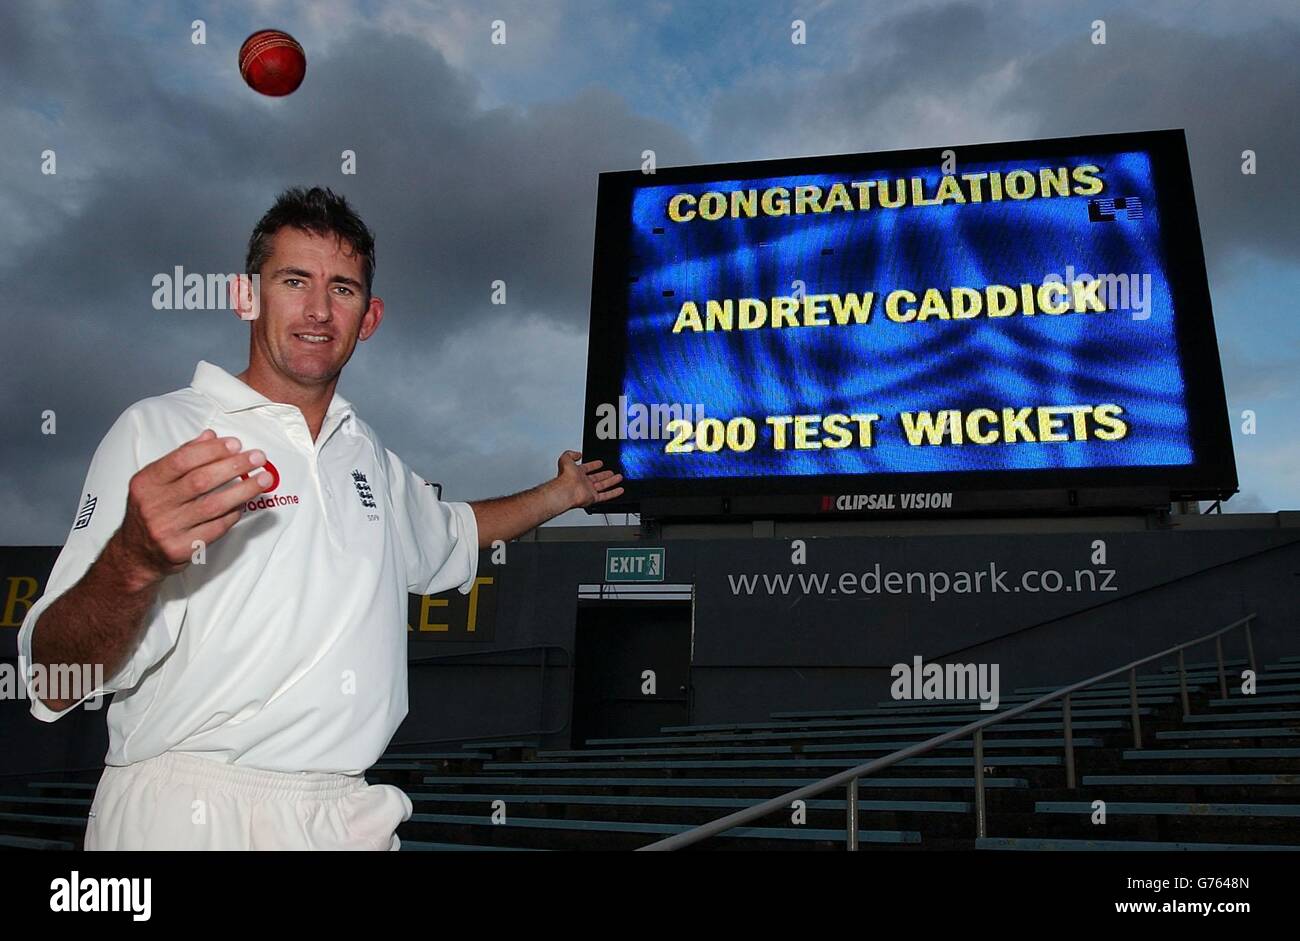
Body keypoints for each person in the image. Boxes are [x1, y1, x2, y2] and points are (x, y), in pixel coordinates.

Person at [16, 186, 623, 850]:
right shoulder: (161, 431)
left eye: (342, 289)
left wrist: (560, 494)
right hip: (188, 814)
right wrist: (129, 563)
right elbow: (51, 677)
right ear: (246, 296)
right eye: (294, 280)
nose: (317, 310)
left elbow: (456, 530)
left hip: (343, 814)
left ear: (370, 317)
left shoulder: (369, 457)